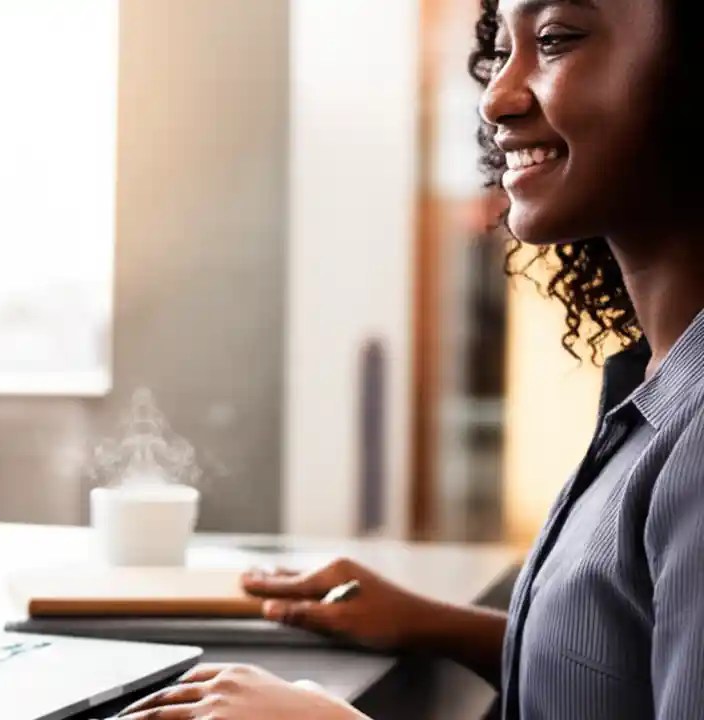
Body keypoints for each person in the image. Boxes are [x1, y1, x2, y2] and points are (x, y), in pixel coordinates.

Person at [115, 0, 704, 717]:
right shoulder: (654, 378)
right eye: (503, 45)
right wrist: (433, 622)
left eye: (554, 40)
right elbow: (623, 669)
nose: (496, 94)